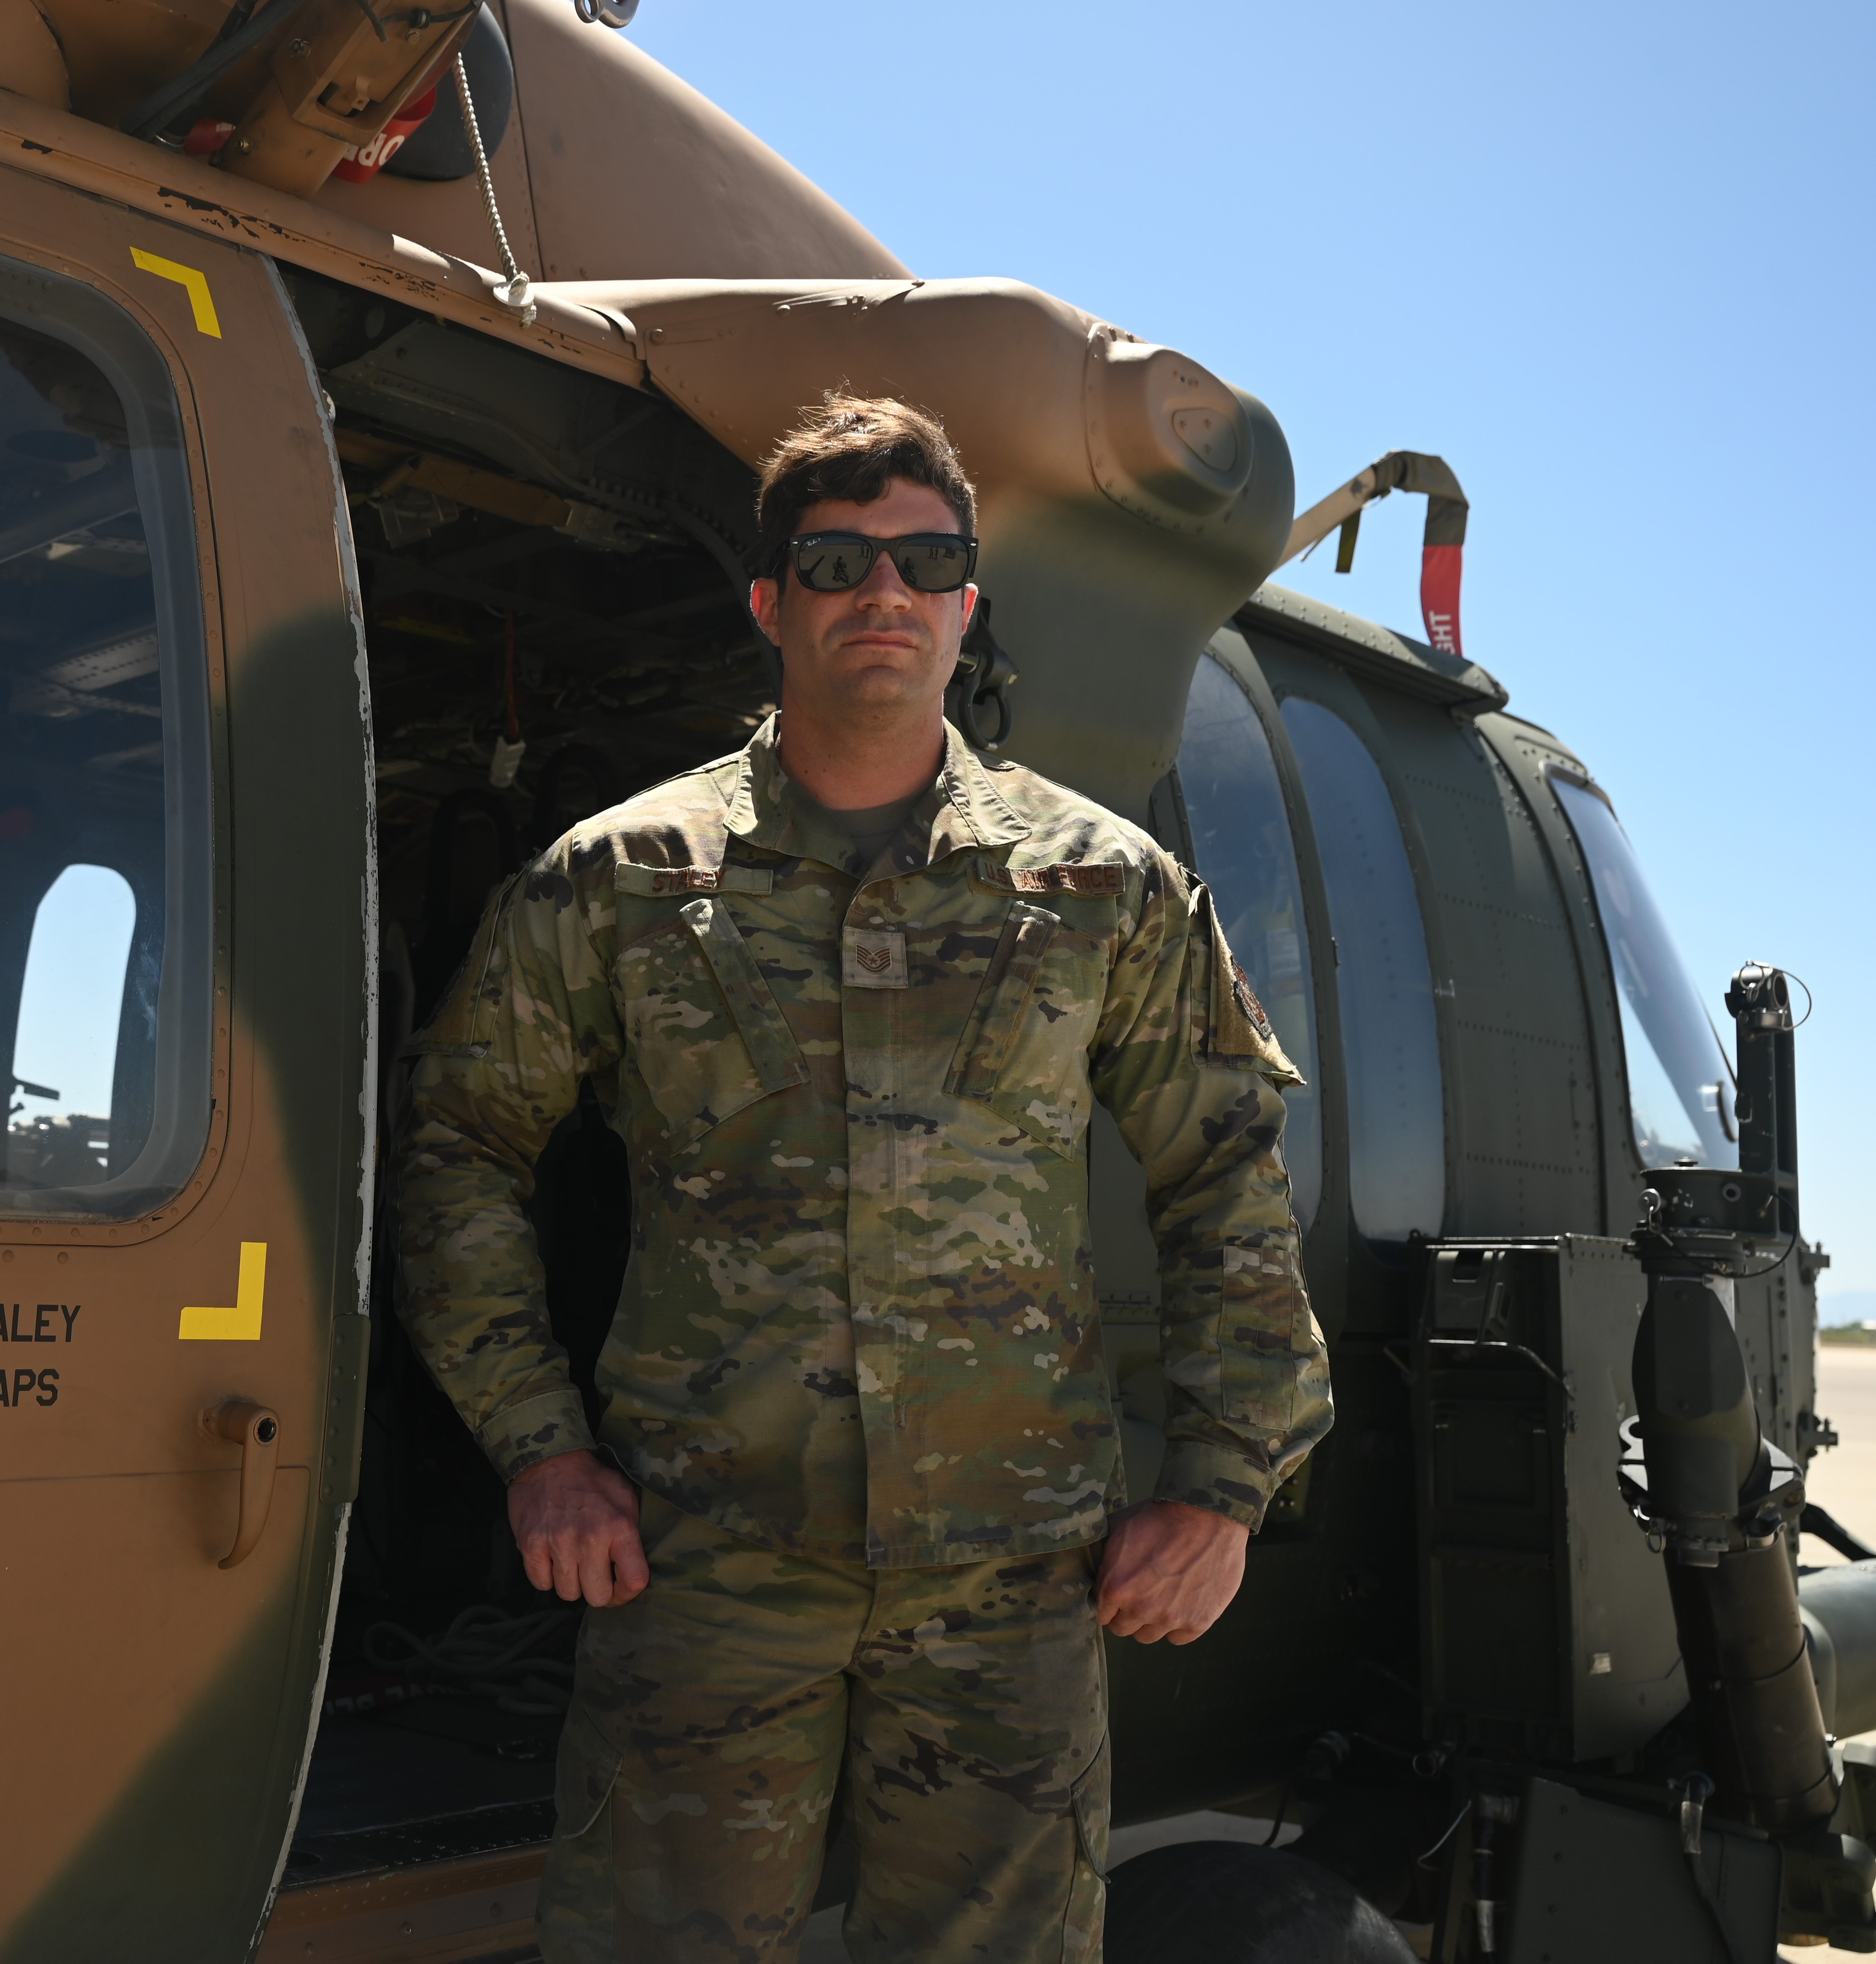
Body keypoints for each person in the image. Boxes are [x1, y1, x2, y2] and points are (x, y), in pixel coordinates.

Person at [391, 391, 1333, 1963]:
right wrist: (538, 1448)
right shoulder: (623, 878)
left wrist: (1226, 1484)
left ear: (968, 604)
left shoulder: (1103, 886)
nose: (882, 595)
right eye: (836, 564)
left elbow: (1225, 1175)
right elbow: (458, 1151)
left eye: (926, 561)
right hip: (703, 1572)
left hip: (1015, 1588)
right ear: (771, 605)